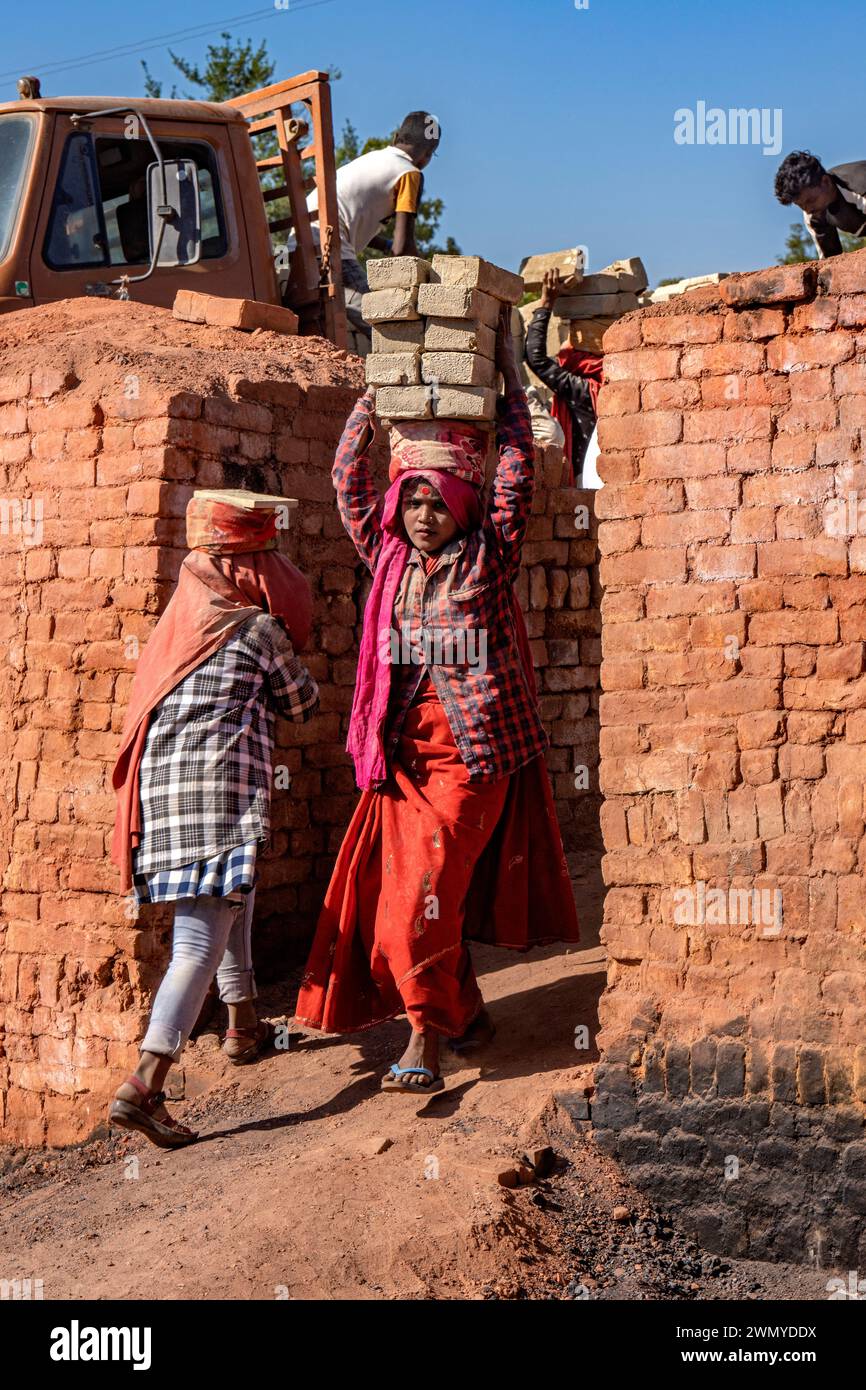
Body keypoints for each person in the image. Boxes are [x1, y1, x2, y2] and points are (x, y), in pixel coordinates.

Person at [295, 312, 580, 1093]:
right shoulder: (383, 552)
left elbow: (518, 464)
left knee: (418, 899)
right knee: (421, 894)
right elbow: (347, 477)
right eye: (413, 501)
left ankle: (424, 1037)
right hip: (400, 760)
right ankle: (467, 1013)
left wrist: (502, 370)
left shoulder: (488, 553)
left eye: (439, 502)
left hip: (471, 759)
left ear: (464, 503)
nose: (424, 515)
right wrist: (376, 384)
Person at [108, 493, 319, 1147]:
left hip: (161, 802)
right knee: (198, 940)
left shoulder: (179, 623)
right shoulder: (254, 629)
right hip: (219, 800)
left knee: (231, 897)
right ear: (247, 566)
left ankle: (243, 1024)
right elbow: (304, 705)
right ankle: (146, 1083)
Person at [307, 110, 440, 340]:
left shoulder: (372, 159)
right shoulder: (410, 174)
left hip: (299, 244)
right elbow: (403, 249)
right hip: (329, 249)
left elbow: (353, 218)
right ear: (427, 156)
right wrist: (430, 278)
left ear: (396, 137)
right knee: (389, 328)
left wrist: (385, 244)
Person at [524, 268, 603, 483]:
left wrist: (546, 303)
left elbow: (535, 358)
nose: (567, 342)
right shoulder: (608, 382)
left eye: (574, 336)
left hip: (584, 480)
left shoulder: (586, 390)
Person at [774, 150, 866, 258]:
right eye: (801, 206)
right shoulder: (813, 215)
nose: (808, 210)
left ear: (826, 182)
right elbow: (830, 261)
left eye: (810, 200)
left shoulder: (859, 185)